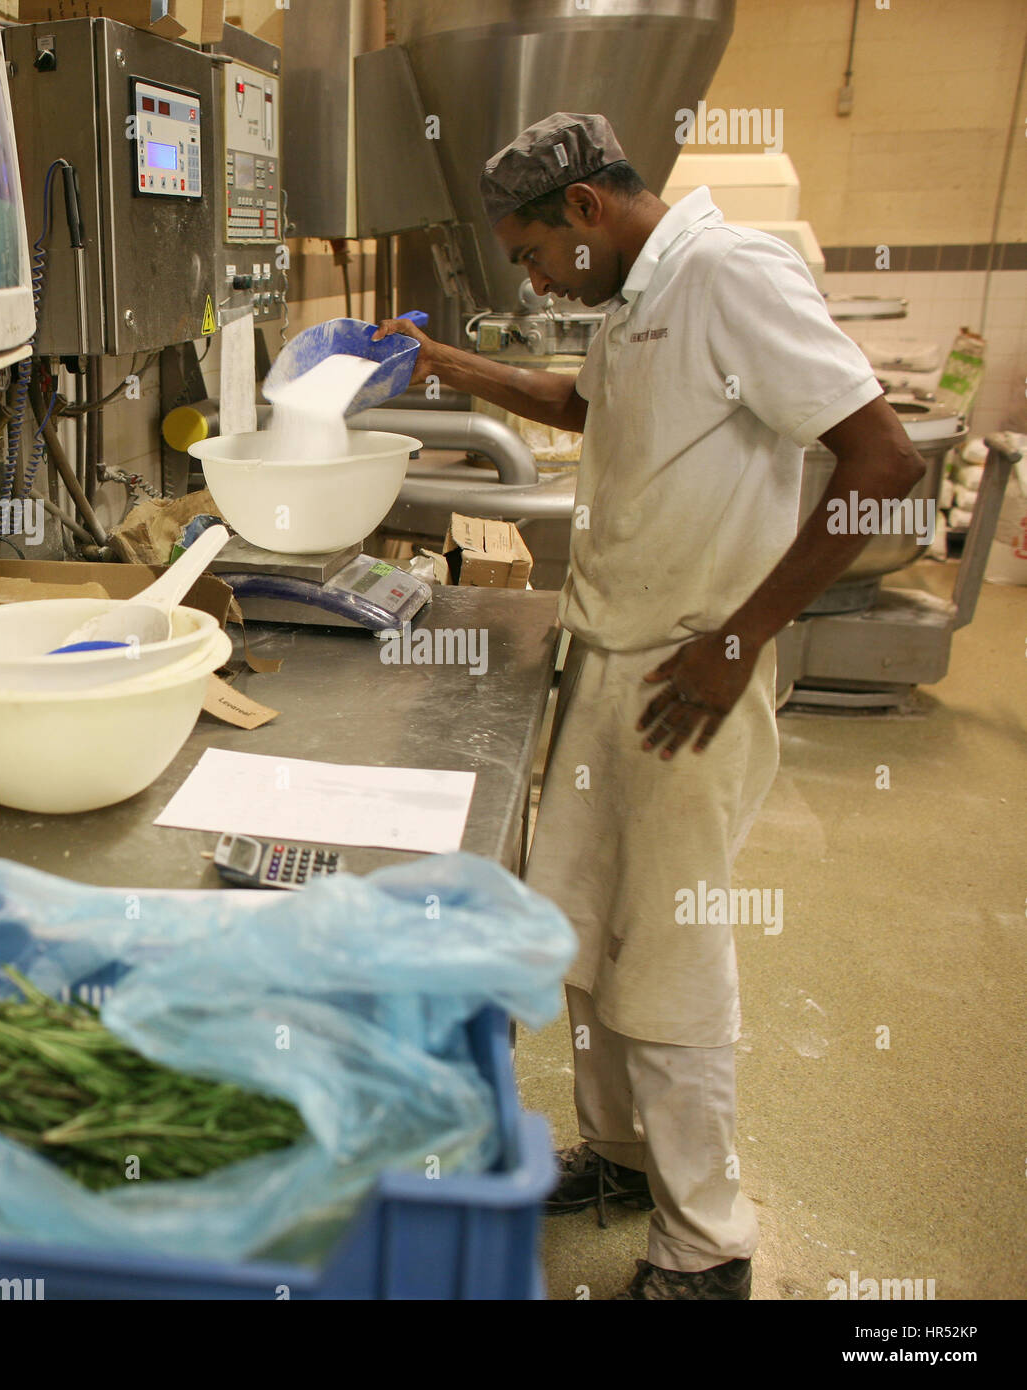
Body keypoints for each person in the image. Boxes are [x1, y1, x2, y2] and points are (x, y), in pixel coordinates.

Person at [375, 112, 924, 1301]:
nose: (529, 277)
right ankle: (622, 1157)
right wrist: (459, 369)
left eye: (529, 253)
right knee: (584, 930)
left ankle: (705, 1241)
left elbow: (886, 464)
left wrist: (740, 640)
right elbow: (589, 407)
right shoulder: (636, 293)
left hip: (692, 677)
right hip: (612, 663)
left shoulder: (728, 272)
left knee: (668, 956)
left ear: (584, 210)